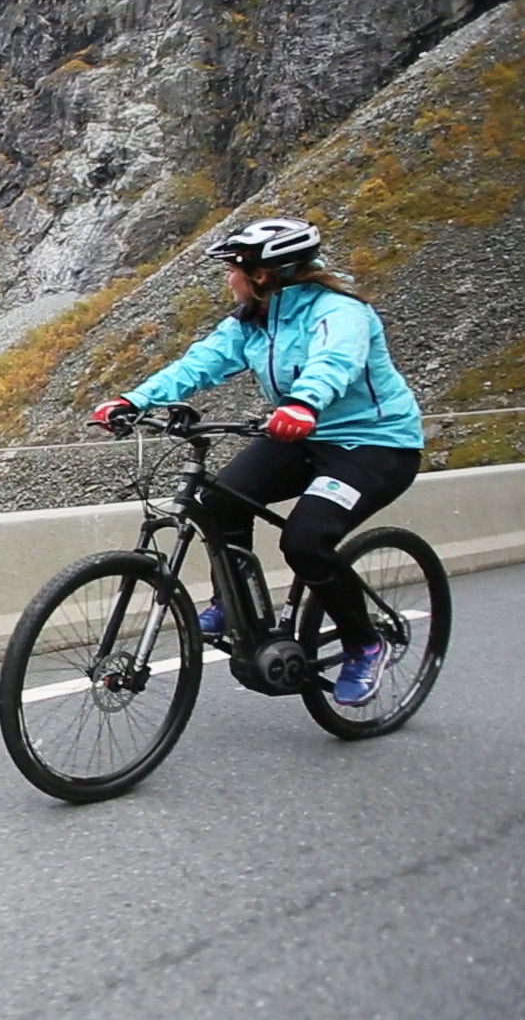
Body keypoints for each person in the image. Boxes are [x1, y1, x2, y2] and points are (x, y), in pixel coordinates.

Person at [90, 217, 424, 707]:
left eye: (233, 270)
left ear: (263, 274)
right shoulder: (252, 319)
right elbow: (199, 364)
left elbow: (335, 361)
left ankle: (365, 644)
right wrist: (134, 400)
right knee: (219, 502)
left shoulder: (340, 311)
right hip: (301, 436)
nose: (229, 279)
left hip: (373, 444)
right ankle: (234, 601)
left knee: (306, 542)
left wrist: (303, 403)